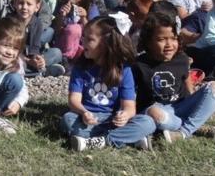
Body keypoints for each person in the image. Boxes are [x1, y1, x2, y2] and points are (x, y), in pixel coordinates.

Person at [62, 16, 155, 151]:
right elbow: (73, 101)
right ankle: (128, 139)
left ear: (105, 45)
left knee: (148, 122)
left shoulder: (125, 70)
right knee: (68, 119)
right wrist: (84, 113)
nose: (83, 41)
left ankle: (98, 141)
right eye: (84, 37)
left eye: (90, 39)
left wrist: (124, 116)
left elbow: (129, 107)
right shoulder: (80, 67)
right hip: (88, 118)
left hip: (113, 119)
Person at [134, 11, 215, 143]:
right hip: (155, 111)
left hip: (180, 107)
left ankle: (183, 133)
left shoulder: (182, 59)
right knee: (155, 113)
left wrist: (196, 102)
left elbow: (188, 87)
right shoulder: (139, 65)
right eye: (161, 39)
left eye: (173, 38)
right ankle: (194, 128)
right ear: (148, 41)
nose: (169, 44)